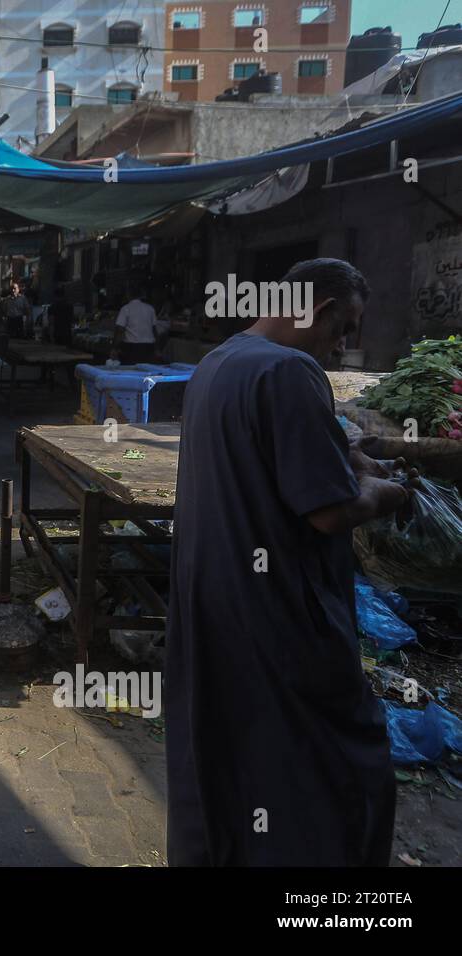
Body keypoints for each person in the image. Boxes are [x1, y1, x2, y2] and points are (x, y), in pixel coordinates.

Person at [166, 258, 409, 867]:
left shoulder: (218, 362)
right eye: (344, 329)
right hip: (280, 613)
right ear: (319, 311)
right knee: (336, 763)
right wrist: (389, 494)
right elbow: (328, 513)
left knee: (227, 757)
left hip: (211, 601)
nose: (343, 346)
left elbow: (281, 453)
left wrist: (347, 454)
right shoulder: (290, 371)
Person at [113, 287, 166, 365]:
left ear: (128, 295)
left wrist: (115, 348)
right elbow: (154, 330)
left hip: (131, 348)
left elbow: (119, 330)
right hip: (148, 347)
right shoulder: (150, 309)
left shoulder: (126, 309)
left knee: (130, 371)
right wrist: (157, 349)